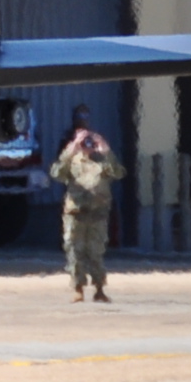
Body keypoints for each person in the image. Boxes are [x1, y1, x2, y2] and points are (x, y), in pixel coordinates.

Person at [50, 106, 126, 304]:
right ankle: (78, 289)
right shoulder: (71, 157)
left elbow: (118, 173)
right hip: (75, 212)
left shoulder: (103, 161)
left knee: (96, 252)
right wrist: (71, 149)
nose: (87, 144)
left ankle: (100, 289)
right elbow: (56, 173)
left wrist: (105, 150)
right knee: (74, 251)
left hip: (98, 212)